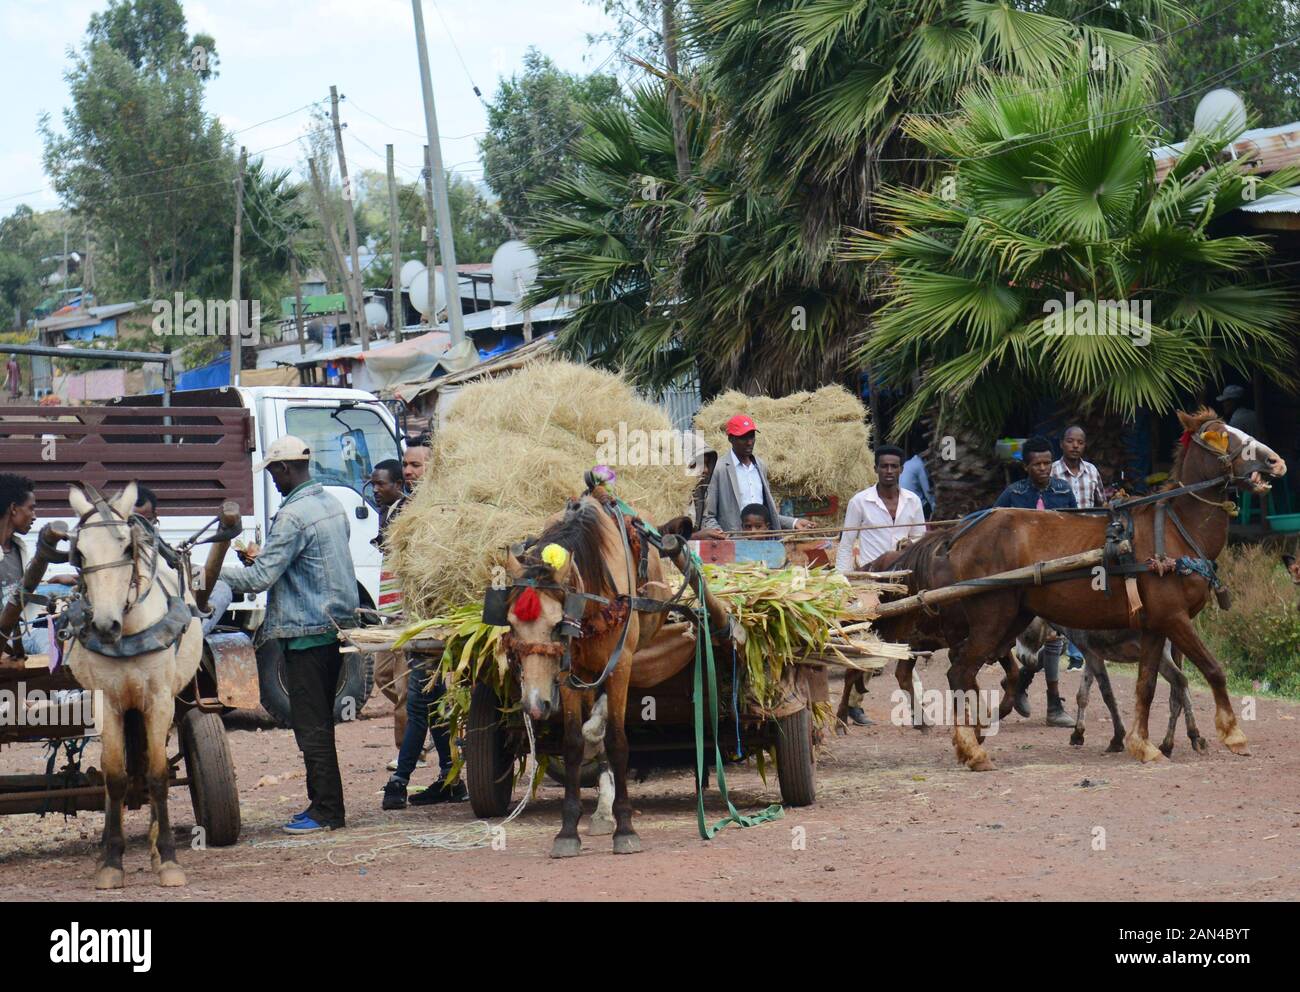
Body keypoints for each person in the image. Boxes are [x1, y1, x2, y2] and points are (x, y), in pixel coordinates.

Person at [220, 436, 359, 835]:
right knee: (319, 724)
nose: (274, 482)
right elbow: (313, 563)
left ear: (284, 469)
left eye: (274, 474)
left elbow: (261, 578)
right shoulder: (331, 505)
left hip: (305, 634)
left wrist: (208, 574)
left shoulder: (293, 516)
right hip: (333, 630)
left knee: (311, 726)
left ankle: (327, 811)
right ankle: (322, 805)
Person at [835, 446, 926, 727]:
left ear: (901, 470)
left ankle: (914, 707)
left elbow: (921, 540)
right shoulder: (860, 502)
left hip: (903, 583)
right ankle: (854, 705)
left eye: (894, 466)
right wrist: (841, 581)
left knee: (908, 641)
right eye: (884, 466)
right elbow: (847, 543)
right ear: (876, 469)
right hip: (870, 581)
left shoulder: (912, 501)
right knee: (870, 643)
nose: (889, 471)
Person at [993, 436, 1076, 727]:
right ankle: (1036, 694)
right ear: (1025, 466)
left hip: (1056, 575)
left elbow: (1074, 530)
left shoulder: (1064, 491)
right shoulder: (1013, 495)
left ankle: (1032, 694)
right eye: (1037, 464)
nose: (1043, 469)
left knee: (1056, 638)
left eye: (1047, 463)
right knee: (1040, 642)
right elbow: (994, 530)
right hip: (1023, 578)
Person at [367, 459, 416, 769]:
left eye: (380, 484)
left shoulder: (407, 512)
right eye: (372, 484)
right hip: (390, 612)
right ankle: (418, 731)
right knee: (382, 676)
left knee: (402, 687)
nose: (375, 490)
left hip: (403, 614)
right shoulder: (389, 512)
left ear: (398, 485)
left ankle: (407, 752)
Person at [133, 486, 232, 635]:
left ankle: (195, 634)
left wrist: (193, 574)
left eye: (145, 521)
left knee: (220, 588)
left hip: (173, 603)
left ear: (155, 517)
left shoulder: (162, 550)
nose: (140, 529)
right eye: (133, 522)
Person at [697, 414, 813, 537]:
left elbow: (765, 515)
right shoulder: (719, 469)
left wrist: (794, 522)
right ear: (731, 438)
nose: (749, 442)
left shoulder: (761, 466)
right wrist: (726, 541)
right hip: (734, 544)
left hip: (762, 544)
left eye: (752, 436)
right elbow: (708, 517)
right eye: (743, 437)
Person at [1051, 426, 1105, 510]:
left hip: (1088, 522)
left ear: (1084, 445)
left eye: (1080, 442)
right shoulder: (1051, 471)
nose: (1075, 446)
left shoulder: (1092, 470)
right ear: (1061, 444)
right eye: (1070, 441)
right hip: (1060, 522)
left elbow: (1102, 504)